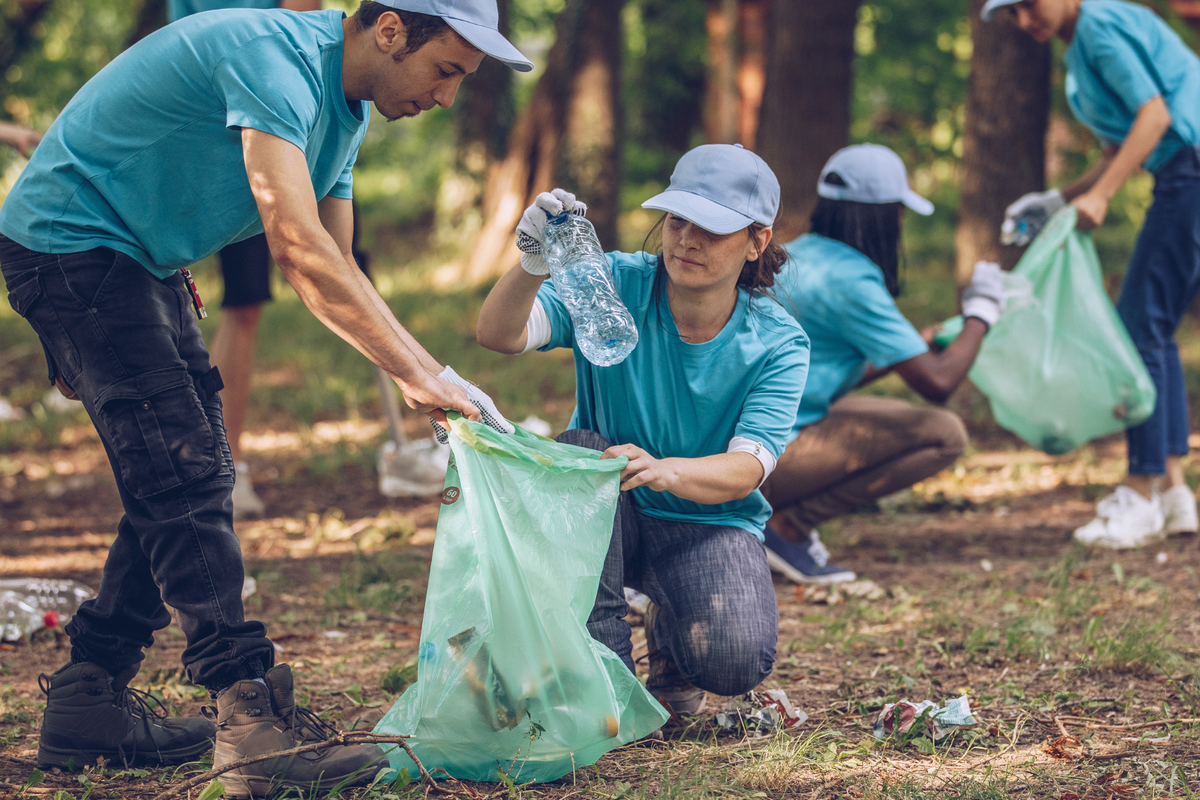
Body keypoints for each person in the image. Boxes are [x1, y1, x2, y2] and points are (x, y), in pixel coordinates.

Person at [0, 0, 529, 794]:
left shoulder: (346, 113)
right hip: (73, 242)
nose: (447, 95)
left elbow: (336, 264)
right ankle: (248, 717)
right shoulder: (272, 56)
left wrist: (426, 371)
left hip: (135, 256)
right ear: (390, 29)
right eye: (445, 69)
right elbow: (293, 242)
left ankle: (88, 702)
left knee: (184, 470)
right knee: (183, 472)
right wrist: (422, 374)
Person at [477, 144, 810, 716]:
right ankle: (606, 676)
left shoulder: (778, 343)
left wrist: (665, 470)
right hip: (609, 509)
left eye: (712, 228)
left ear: (757, 241)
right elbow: (499, 334)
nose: (687, 240)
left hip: (706, 524)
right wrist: (532, 264)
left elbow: (747, 469)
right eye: (679, 219)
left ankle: (670, 634)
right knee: (580, 449)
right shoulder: (611, 284)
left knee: (736, 660)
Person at [984, 0, 1200, 548]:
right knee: (1155, 329)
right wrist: (1059, 198)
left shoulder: (1099, 25)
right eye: (1011, 14)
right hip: (1183, 173)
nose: (1025, 20)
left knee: (1136, 329)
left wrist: (1102, 197)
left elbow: (1156, 119)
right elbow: (1119, 146)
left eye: (1028, 5)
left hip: (1190, 173)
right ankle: (1174, 492)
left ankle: (1140, 492)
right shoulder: (1081, 48)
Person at [760, 144, 1005, 585]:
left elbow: (826, 368)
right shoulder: (852, 280)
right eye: (899, 213)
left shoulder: (800, 255)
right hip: (768, 455)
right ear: (882, 216)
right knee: (944, 433)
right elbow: (938, 381)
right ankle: (787, 526)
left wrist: (915, 344)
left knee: (888, 418)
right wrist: (981, 314)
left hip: (751, 435)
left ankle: (776, 526)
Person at [167, 0, 324, 520]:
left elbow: (305, 22)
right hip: (227, 128)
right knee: (238, 298)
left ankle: (220, 464)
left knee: (329, 267)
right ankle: (221, 464)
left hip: (292, 118)